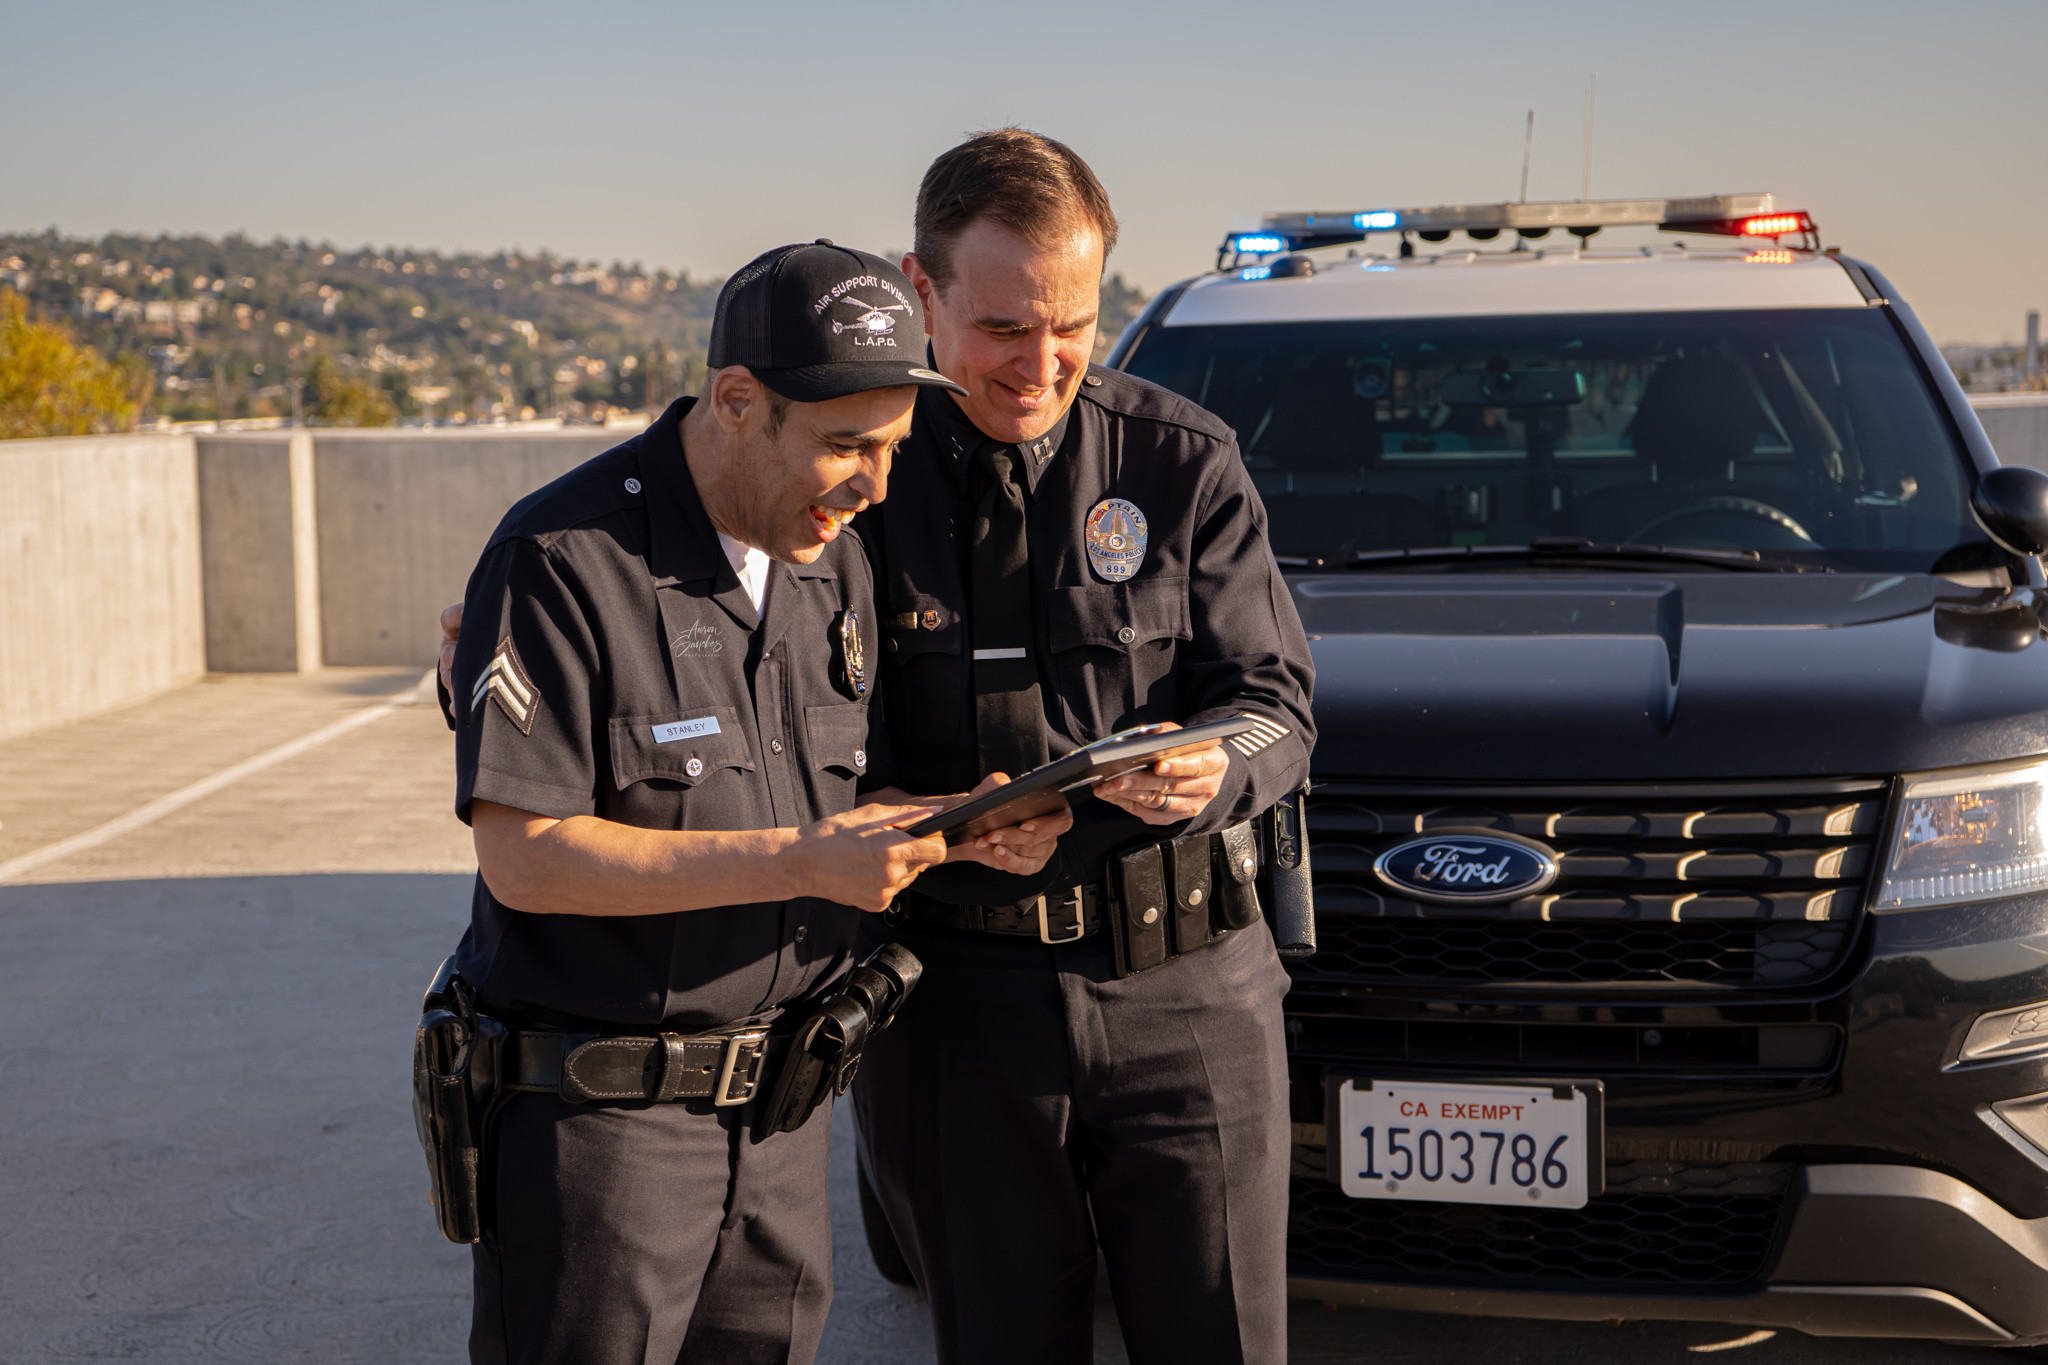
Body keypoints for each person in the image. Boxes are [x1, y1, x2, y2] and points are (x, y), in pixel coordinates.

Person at [439, 240, 1067, 1365]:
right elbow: (523, 858)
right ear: (736, 402)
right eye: (844, 447)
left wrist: (950, 826)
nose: (873, 486)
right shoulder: (562, 560)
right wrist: (796, 861)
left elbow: (822, 794)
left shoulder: (831, 562)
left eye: (888, 449)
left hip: (783, 1119)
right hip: (608, 1136)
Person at [851, 130, 1315, 1365]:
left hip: (1189, 998)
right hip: (957, 1009)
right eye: (1004, 327)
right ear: (920, 290)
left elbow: (1274, 701)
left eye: (1072, 324)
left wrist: (1218, 769)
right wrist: (925, 816)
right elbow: (784, 730)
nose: (1039, 364)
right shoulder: (853, 480)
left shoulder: (1179, 460)